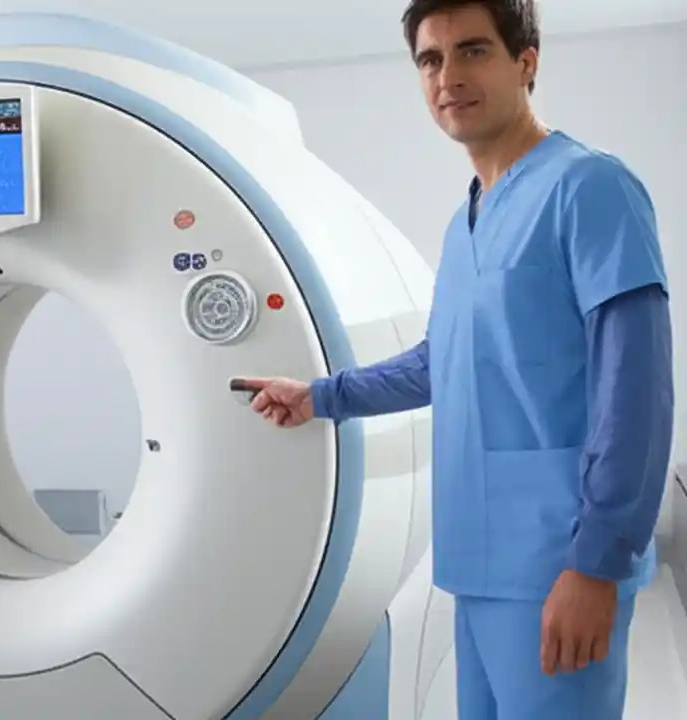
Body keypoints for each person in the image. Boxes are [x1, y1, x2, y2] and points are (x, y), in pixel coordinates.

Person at [234, 1, 674, 718]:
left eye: (472, 51)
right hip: (477, 564)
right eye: (430, 59)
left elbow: (639, 394)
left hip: (558, 562)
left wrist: (597, 565)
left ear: (526, 62)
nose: (448, 76)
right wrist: (320, 395)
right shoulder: (466, 218)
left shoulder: (589, 189)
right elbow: (444, 362)